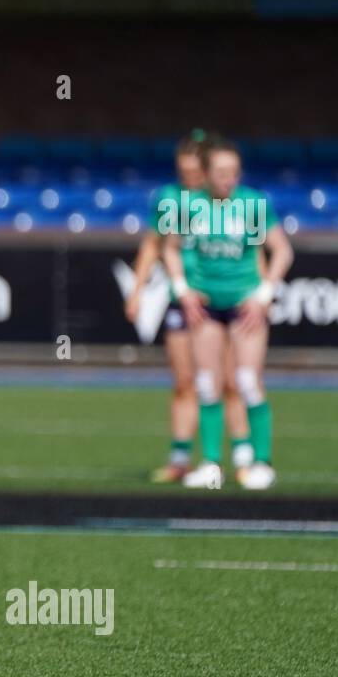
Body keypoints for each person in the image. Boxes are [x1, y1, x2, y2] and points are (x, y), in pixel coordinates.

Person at [163, 136, 293, 490]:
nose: (227, 179)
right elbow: (170, 249)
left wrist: (264, 295)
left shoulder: (252, 204)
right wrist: (182, 290)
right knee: (207, 384)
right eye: (220, 172)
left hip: (244, 306)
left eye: (233, 172)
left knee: (247, 382)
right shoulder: (189, 207)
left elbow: (282, 251)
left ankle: (261, 461)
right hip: (207, 309)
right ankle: (210, 464)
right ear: (204, 173)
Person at [125, 130, 253, 483]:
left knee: (229, 380)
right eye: (183, 172)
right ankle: (181, 458)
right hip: (182, 302)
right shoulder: (171, 199)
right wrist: (136, 291)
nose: (188, 179)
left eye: (194, 172)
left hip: (221, 300)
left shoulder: (228, 201)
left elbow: (252, 250)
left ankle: (241, 459)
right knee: (186, 381)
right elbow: (155, 244)